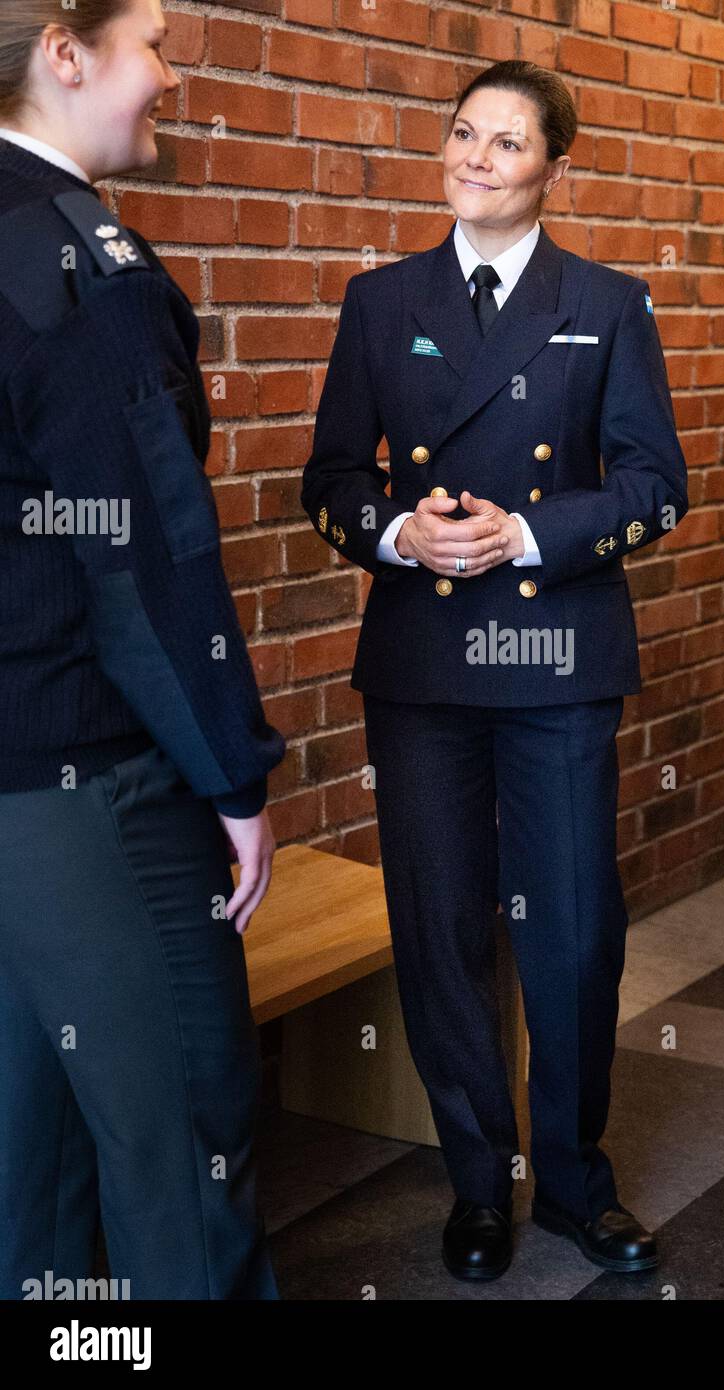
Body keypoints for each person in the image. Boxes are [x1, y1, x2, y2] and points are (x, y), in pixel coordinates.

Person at [302, 60, 689, 1280]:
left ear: (553, 169)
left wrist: (526, 534)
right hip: (422, 664)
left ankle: (573, 1180)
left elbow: (654, 485)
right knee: (441, 927)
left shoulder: (608, 303)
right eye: (462, 134)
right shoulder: (379, 300)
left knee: (573, 930)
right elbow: (329, 480)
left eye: (506, 143)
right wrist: (396, 532)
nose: (474, 157)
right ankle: (478, 1184)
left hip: (557, 655)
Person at [0, 0, 284, 1299]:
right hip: (93, 780)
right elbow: (152, 570)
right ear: (63, 52)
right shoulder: (78, 273)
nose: (170, 74)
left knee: (30, 1153)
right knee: (184, 1141)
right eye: (152, 45)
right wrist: (235, 781)